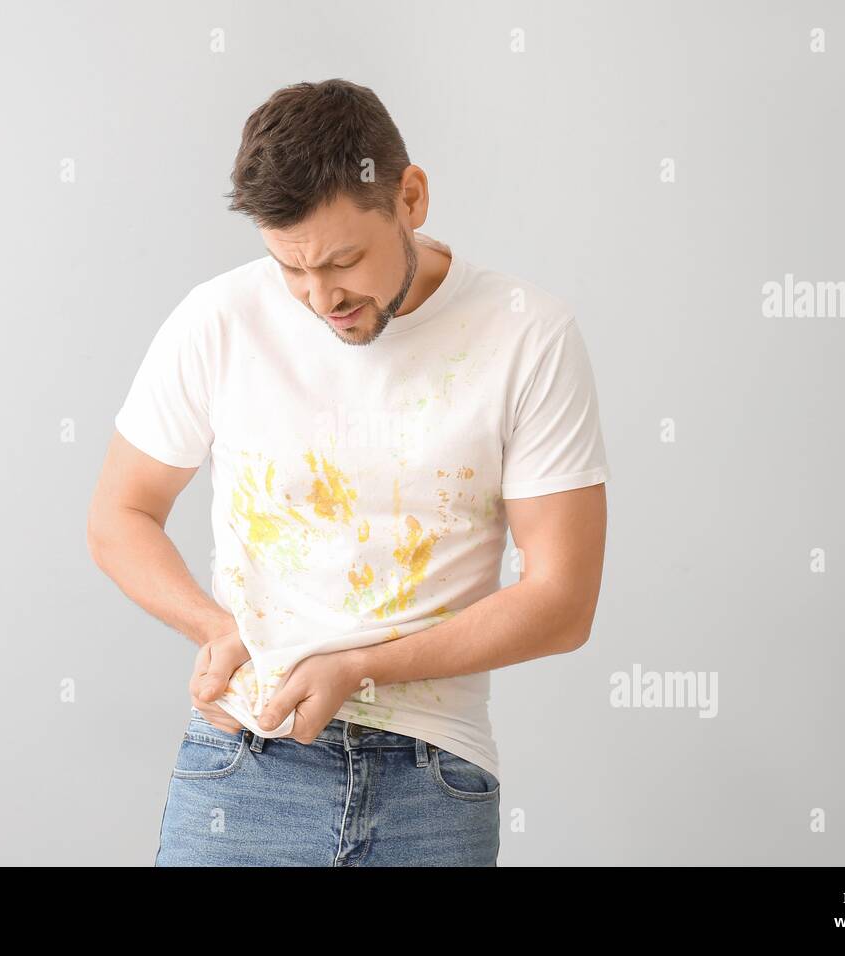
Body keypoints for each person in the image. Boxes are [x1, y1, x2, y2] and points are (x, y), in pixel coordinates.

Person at [86, 78, 610, 866]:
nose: (320, 298)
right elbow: (119, 515)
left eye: (344, 261)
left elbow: (562, 602)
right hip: (244, 764)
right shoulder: (219, 319)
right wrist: (218, 628)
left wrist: (359, 667)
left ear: (411, 198)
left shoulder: (527, 334)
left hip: (431, 780)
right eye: (290, 269)